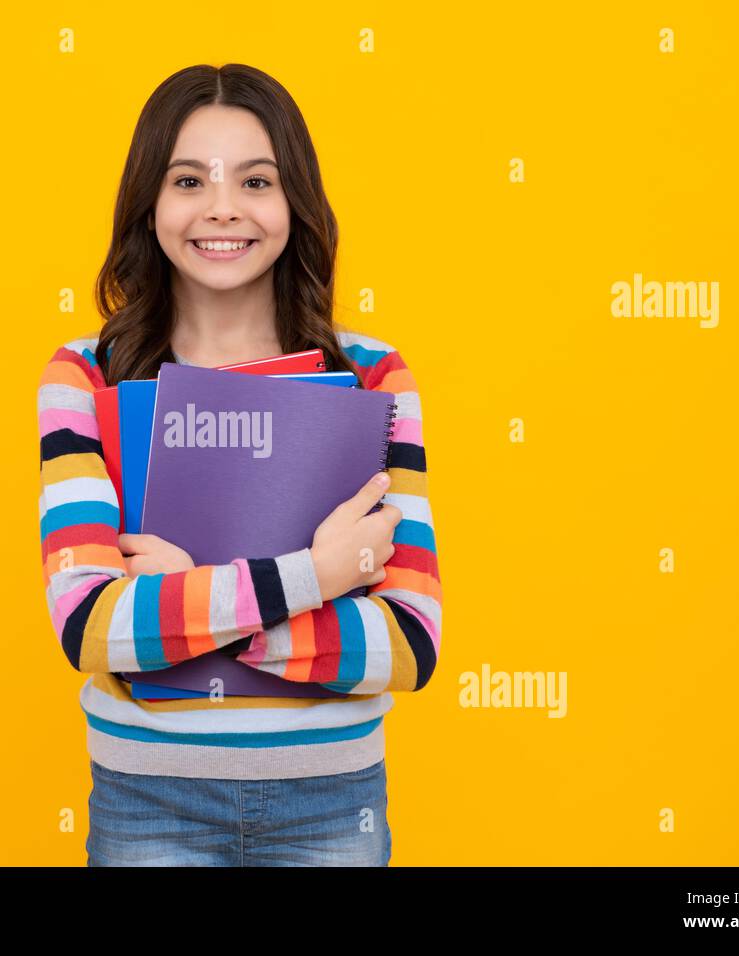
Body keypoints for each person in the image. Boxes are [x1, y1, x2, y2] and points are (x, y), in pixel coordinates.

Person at [36, 63, 442, 866]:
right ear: (150, 203)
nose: (222, 206)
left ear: (295, 202)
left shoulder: (374, 376)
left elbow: (407, 646)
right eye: (190, 179)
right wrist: (316, 576)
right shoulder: (85, 376)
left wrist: (185, 606)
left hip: (334, 804)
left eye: (256, 180)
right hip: (148, 802)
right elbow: (89, 627)